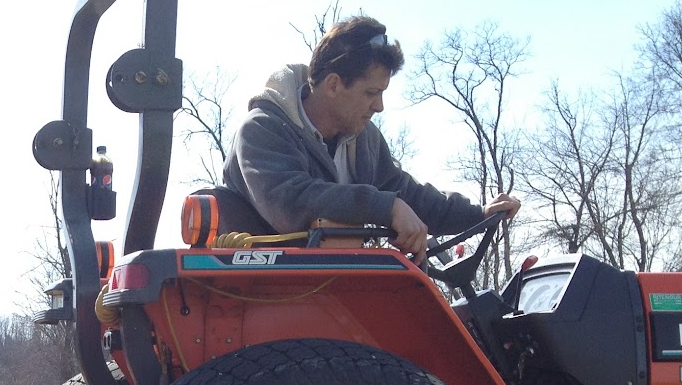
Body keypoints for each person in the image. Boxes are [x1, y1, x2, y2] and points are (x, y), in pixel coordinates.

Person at [219, 16, 520, 261]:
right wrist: (385, 207)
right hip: (261, 295)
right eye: (371, 93)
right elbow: (292, 202)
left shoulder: (364, 140)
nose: (379, 106)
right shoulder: (262, 130)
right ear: (334, 85)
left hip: (328, 292)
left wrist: (478, 214)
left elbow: (405, 193)